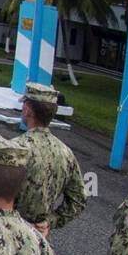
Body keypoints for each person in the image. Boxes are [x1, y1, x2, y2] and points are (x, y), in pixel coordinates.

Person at [13, 81, 85, 235]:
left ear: (28, 109)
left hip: (9, 233)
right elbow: (78, 199)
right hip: (40, 238)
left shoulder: (15, 148)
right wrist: (51, 221)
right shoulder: (66, 153)